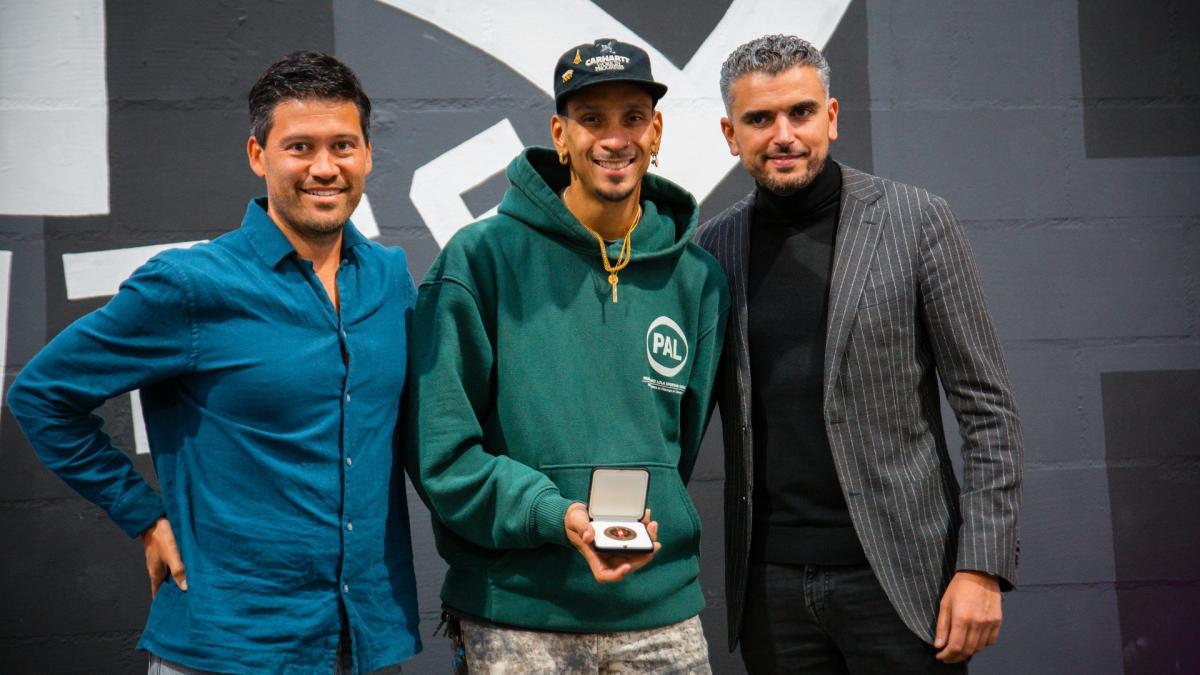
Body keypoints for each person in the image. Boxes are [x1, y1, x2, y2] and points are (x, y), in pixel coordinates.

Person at [7, 51, 420, 674]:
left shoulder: (391, 281)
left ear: (368, 154)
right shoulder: (190, 285)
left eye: (343, 145)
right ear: (258, 156)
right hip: (227, 648)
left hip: (360, 642)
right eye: (299, 147)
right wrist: (142, 515)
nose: (325, 168)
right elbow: (41, 394)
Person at [694, 35, 1023, 673]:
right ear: (731, 135)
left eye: (801, 112)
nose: (783, 134)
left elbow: (988, 409)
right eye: (759, 119)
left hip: (903, 581)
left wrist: (982, 566)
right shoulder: (712, 248)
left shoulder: (917, 220)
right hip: (770, 590)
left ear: (833, 117)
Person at [404, 38, 728, 673]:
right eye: (591, 119)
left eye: (633, 117)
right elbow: (440, 451)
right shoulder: (480, 260)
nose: (615, 138)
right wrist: (555, 516)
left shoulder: (698, 279)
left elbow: (679, 451)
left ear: (656, 130)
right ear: (559, 133)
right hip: (517, 617)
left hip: (660, 616)